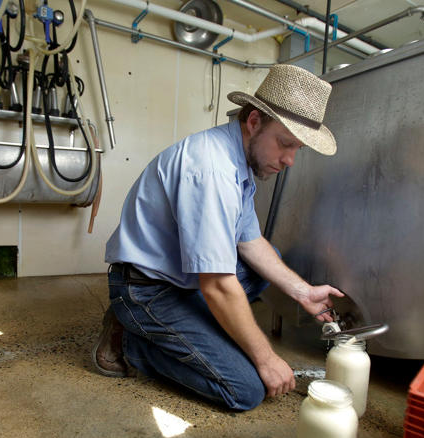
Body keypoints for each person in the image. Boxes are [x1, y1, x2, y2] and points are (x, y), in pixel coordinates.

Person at [92, 64, 344, 411]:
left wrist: (304, 292)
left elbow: (250, 242)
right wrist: (267, 359)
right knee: (245, 389)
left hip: (177, 277)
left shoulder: (239, 160)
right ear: (254, 122)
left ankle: (193, 330)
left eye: (297, 148)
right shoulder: (211, 170)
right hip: (145, 290)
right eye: (285, 144)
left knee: (265, 259)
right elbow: (218, 285)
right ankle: (133, 343)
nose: (290, 160)